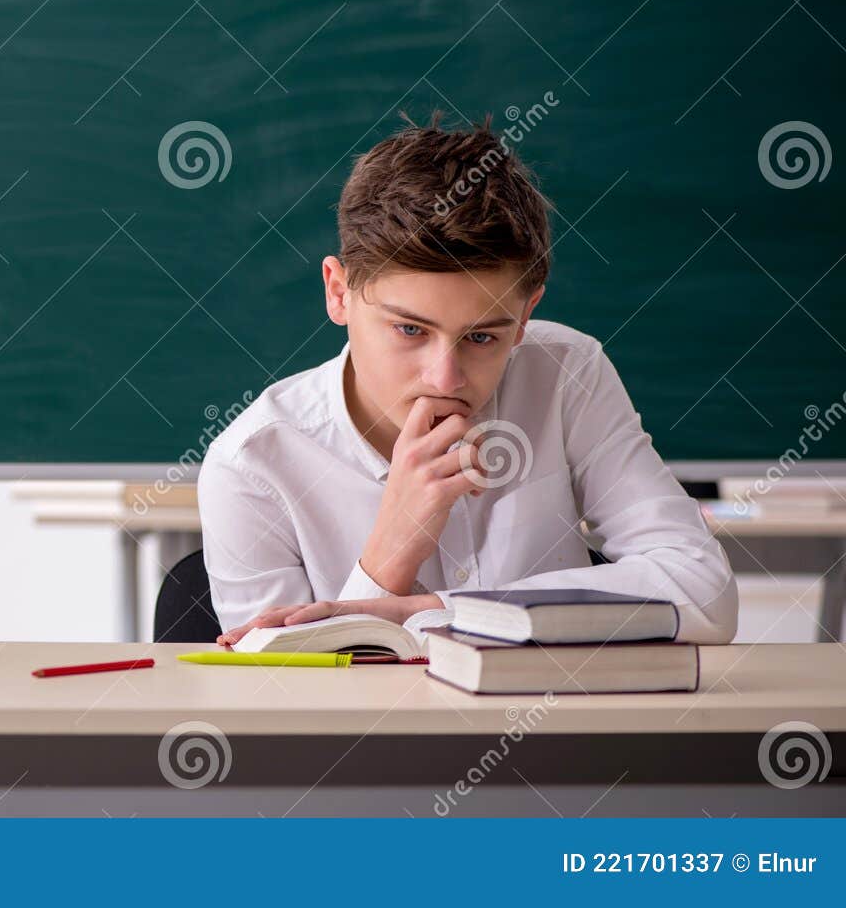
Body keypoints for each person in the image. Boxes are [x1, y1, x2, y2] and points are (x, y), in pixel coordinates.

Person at [198, 116, 738, 646]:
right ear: (339, 292)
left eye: (482, 337)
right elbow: (283, 706)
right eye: (410, 329)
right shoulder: (251, 465)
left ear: (526, 314)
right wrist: (390, 554)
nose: (444, 377)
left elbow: (704, 592)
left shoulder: (565, 372)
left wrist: (441, 611)